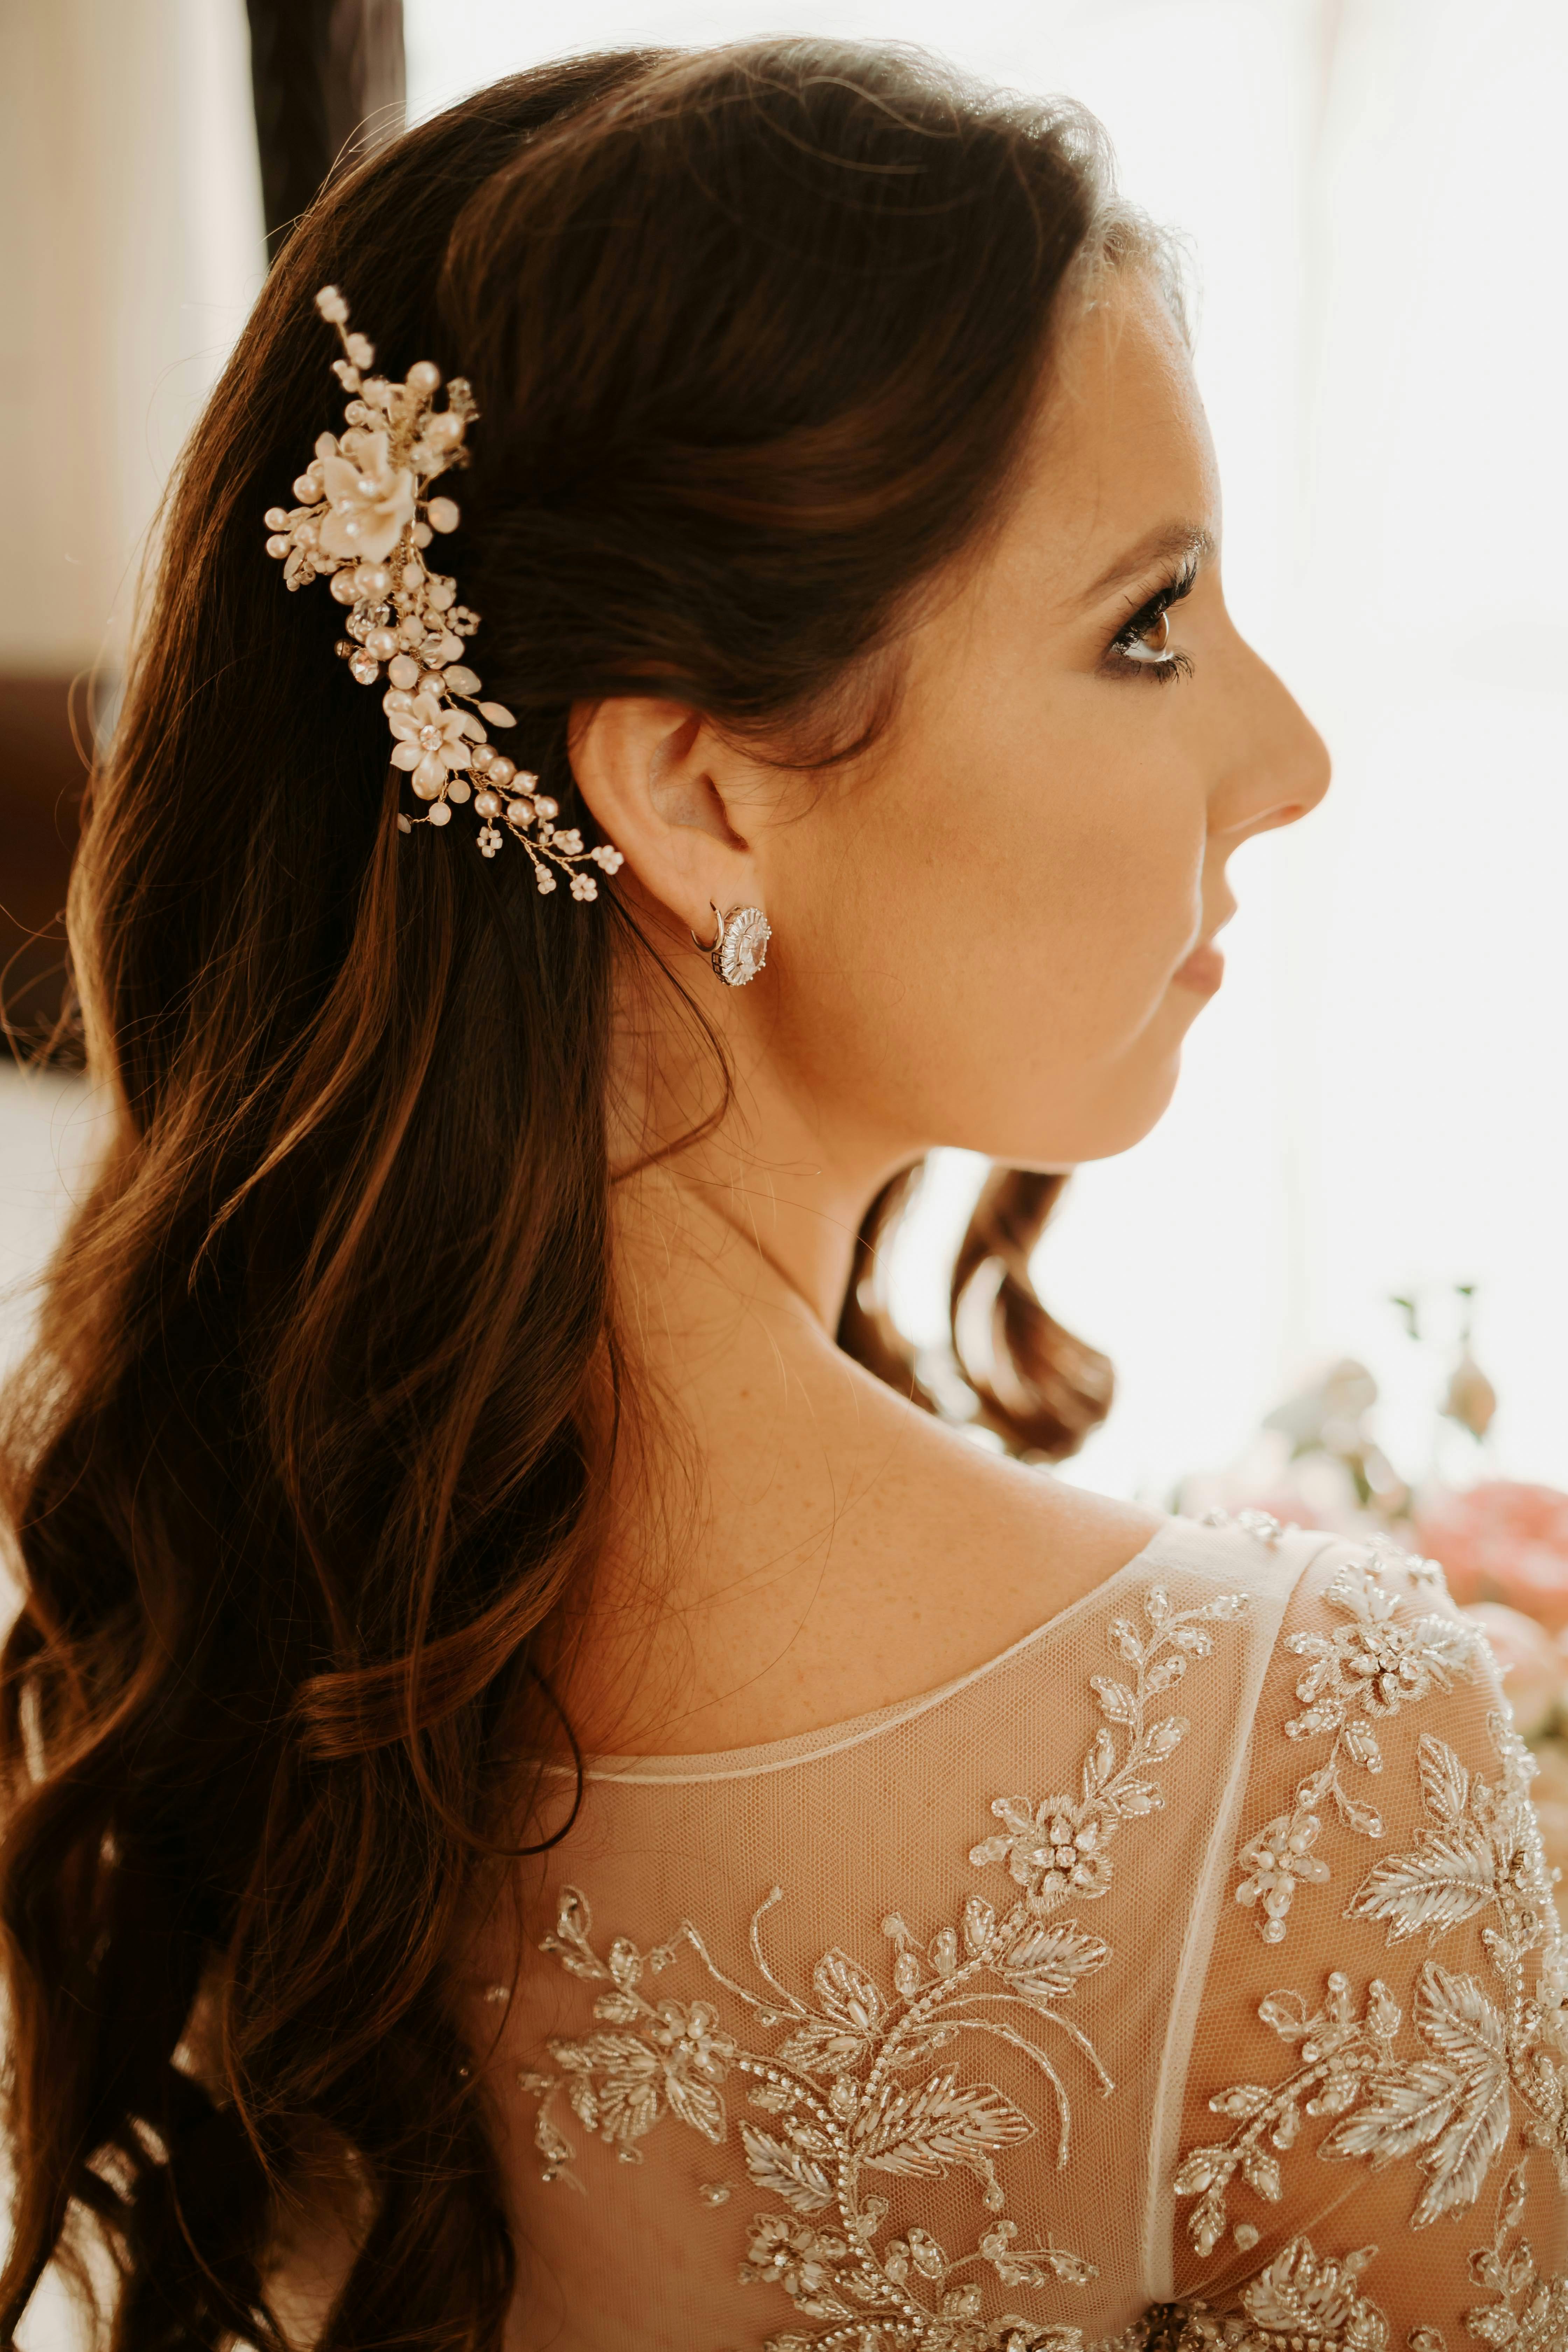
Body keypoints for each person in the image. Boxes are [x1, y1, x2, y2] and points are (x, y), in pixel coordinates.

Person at [2, 38, 1562, 2352]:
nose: (1293, 756)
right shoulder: (1304, 1758)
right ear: (702, 797)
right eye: (1149, 625)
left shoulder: (218, 1591)